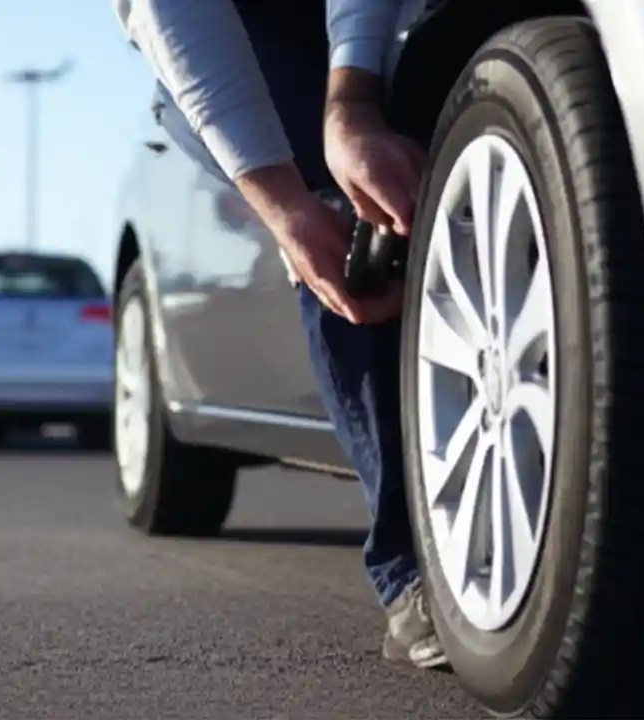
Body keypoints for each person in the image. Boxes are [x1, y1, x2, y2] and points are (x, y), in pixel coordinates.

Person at [114, 0, 445, 668]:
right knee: (340, 207)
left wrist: (352, 101)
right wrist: (288, 212)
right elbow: (181, 23)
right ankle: (410, 566)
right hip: (238, 36)